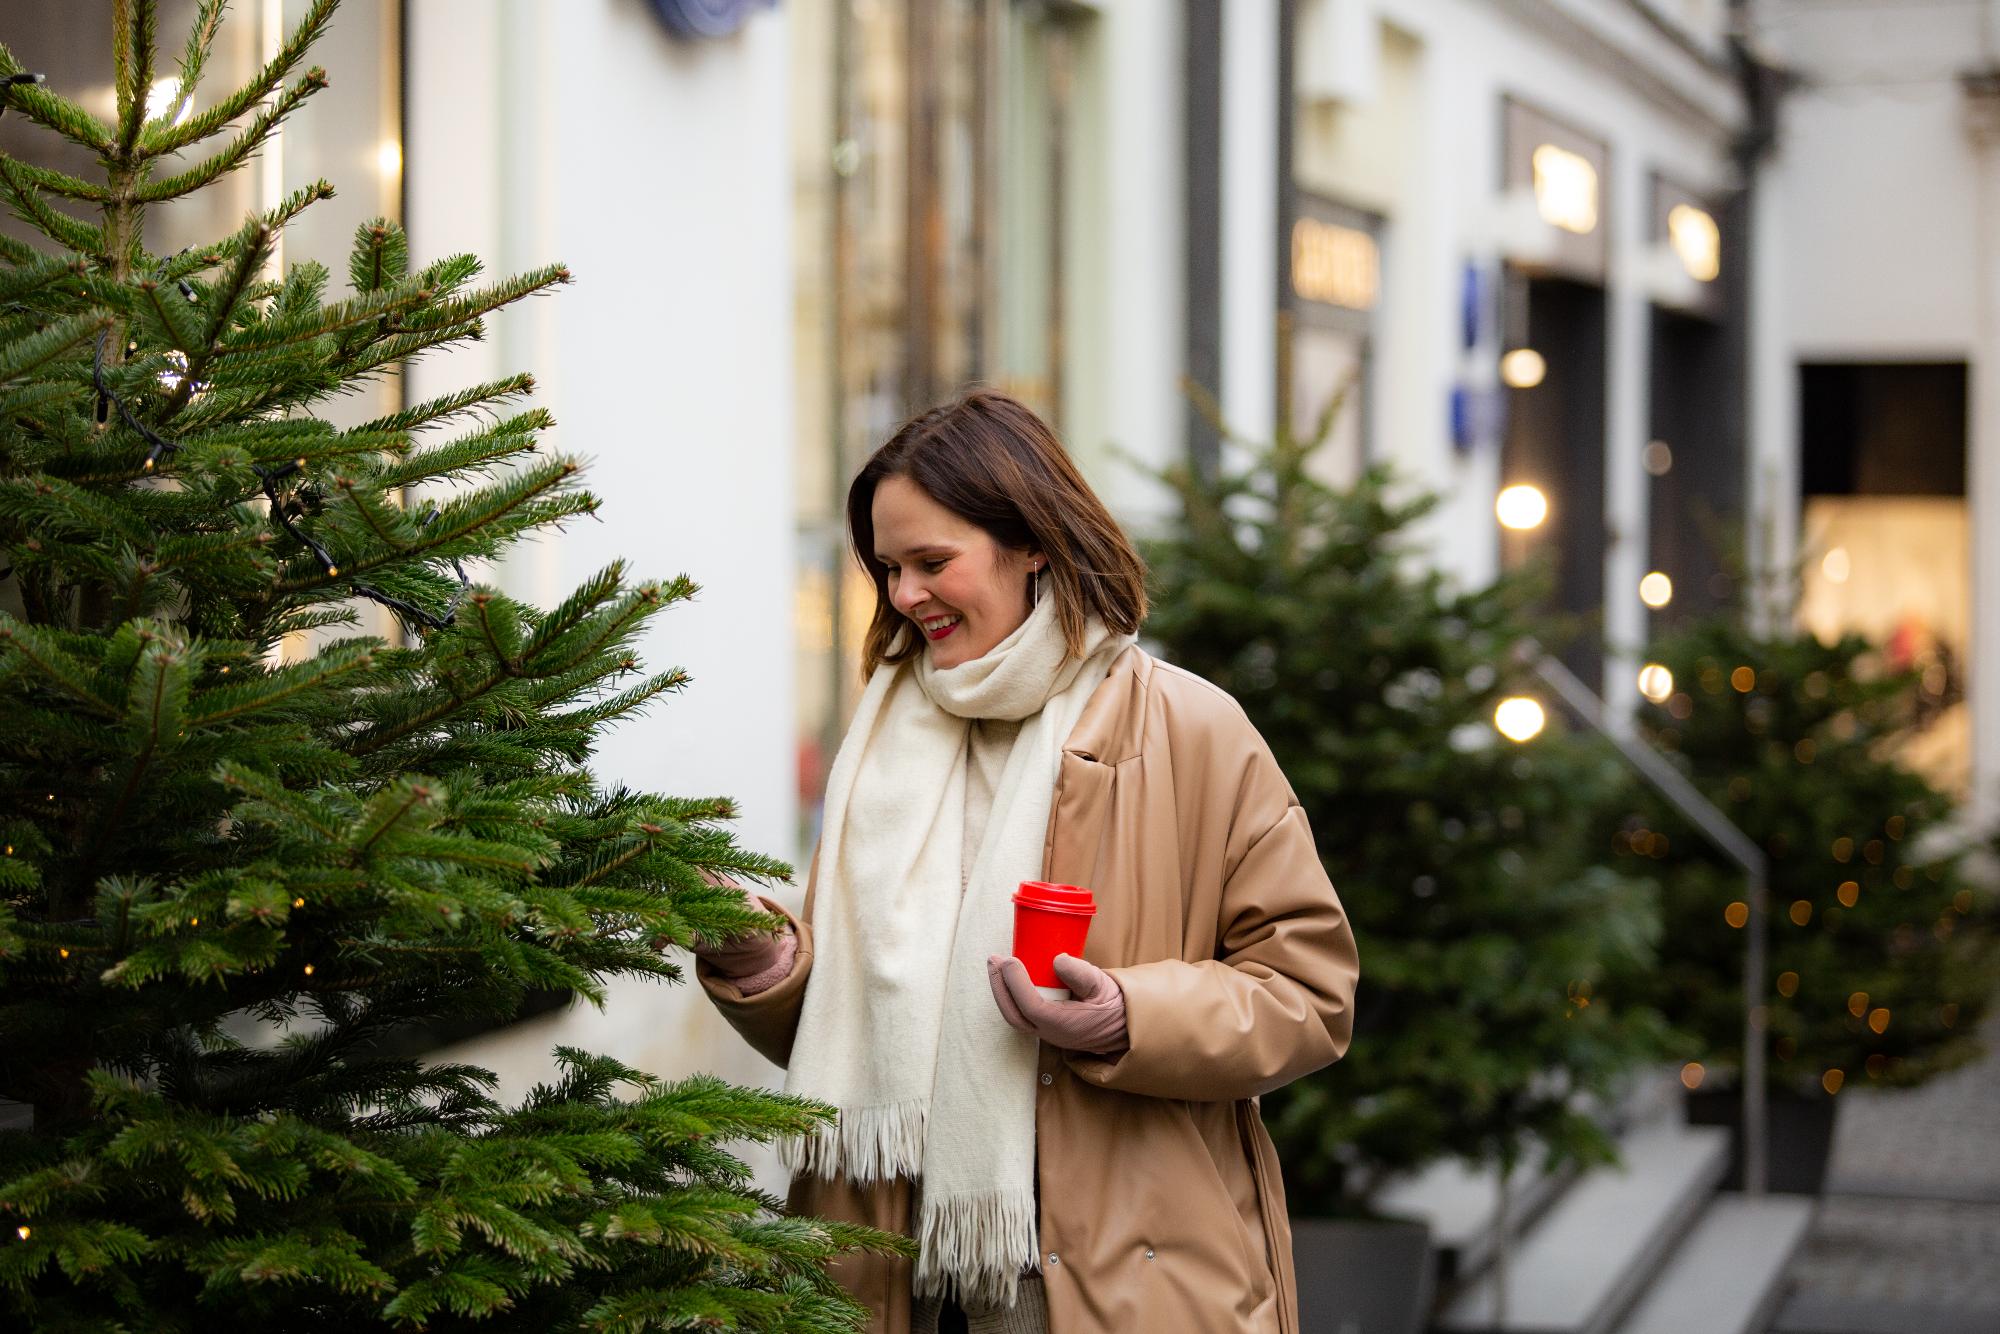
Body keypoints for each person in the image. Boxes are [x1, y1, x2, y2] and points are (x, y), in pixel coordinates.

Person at [696, 389, 1359, 1334]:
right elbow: (859, 1027)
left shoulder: (1189, 729)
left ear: (1034, 540)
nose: (903, 596)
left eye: (933, 562)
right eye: (888, 568)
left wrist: (1128, 1016)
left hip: (1116, 1282)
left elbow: (1310, 992)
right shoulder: (883, 745)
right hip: (889, 1276)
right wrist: (767, 968)